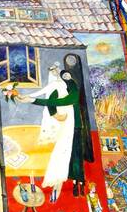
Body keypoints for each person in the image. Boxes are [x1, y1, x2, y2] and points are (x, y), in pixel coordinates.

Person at [15, 54, 95, 202]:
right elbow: (51, 101)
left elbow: (70, 99)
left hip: (75, 125)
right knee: (65, 153)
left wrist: (34, 99)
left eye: (60, 73)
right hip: (66, 125)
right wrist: (31, 99)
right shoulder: (56, 85)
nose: (58, 75)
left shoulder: (71, 86)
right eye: (55, 72)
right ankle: (65, 181)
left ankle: (77, 183)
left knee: (74, 154)